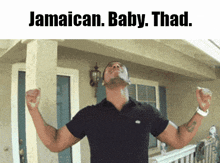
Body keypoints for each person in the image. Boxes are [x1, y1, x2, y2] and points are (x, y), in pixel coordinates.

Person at [26, 61, 212, 163]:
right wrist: (33, 110)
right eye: (110, 67)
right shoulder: (89, 114)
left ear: (128, 80)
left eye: (120, 67)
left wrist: (201, 111)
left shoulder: (146, 112)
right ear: (104, 81)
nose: (115, 67)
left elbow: (179, 139)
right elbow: (55, 142)